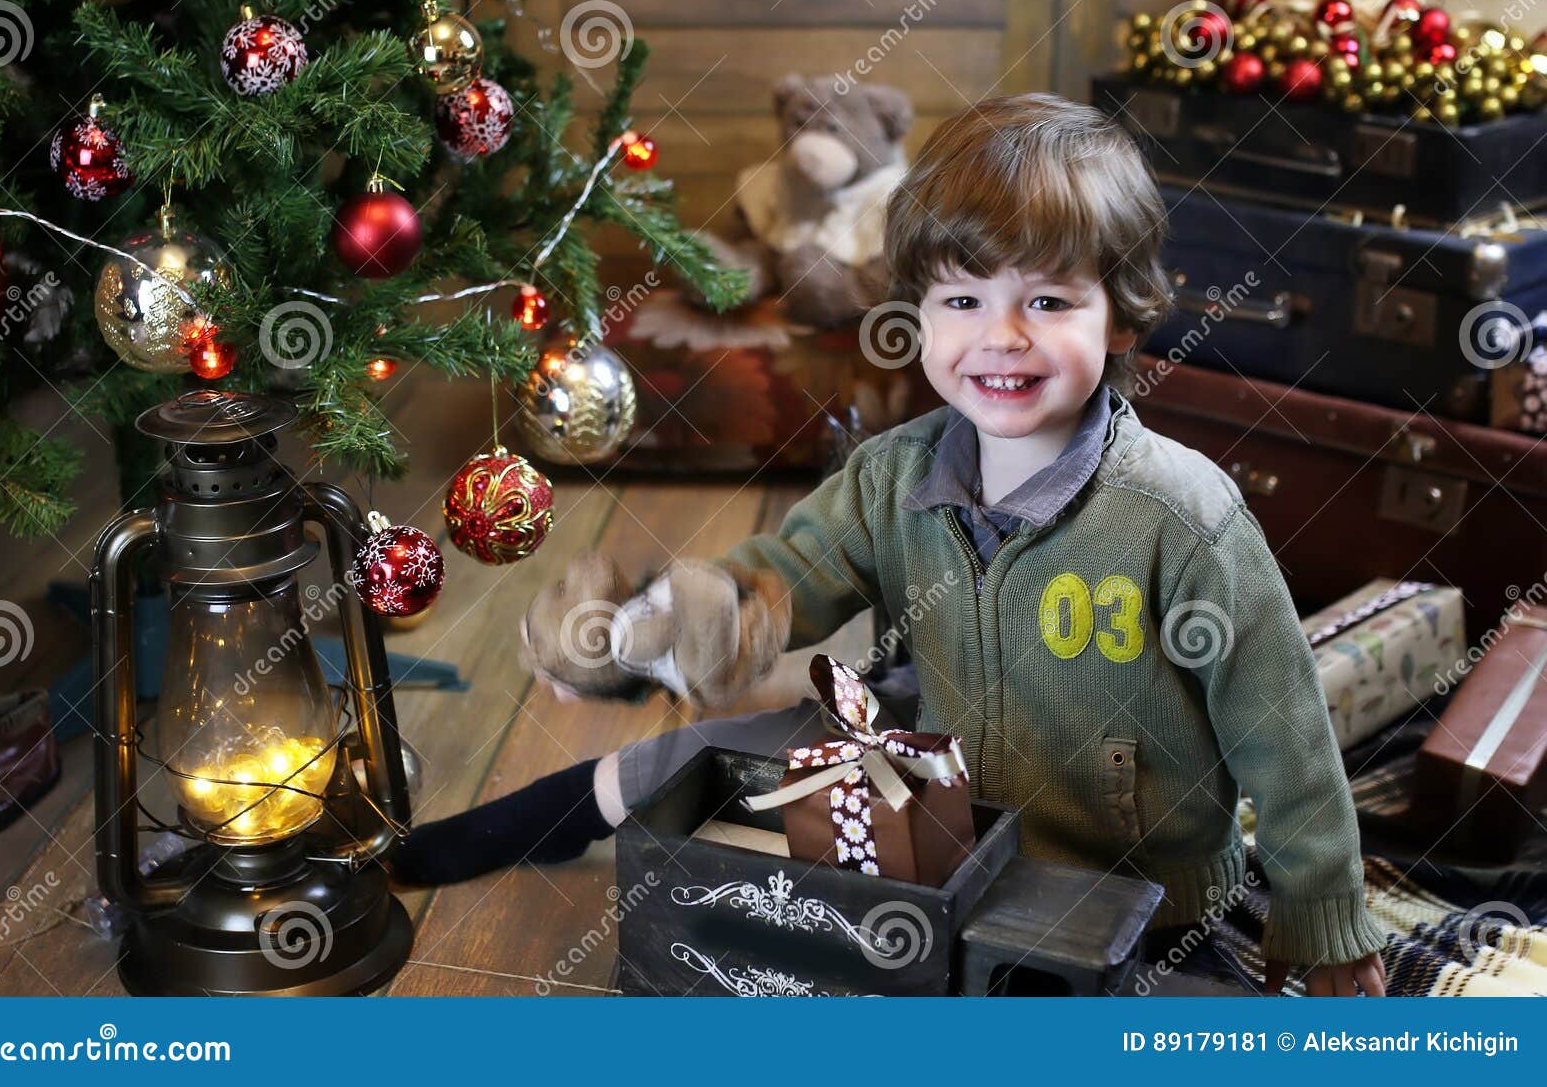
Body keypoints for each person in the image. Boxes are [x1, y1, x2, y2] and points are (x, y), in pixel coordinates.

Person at [394, 93, 1388, 997]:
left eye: (1046, 300)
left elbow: (1283, 727)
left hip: (1137, 899)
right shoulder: (893, 475)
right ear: (916, 312)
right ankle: (489, 831)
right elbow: (780, 581)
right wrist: (657, 624)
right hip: (940, 856)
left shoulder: (1178, 514)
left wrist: (1323, 913)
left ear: (1122, 313)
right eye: (962, 301)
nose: (1000, 336)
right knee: (713, 757)